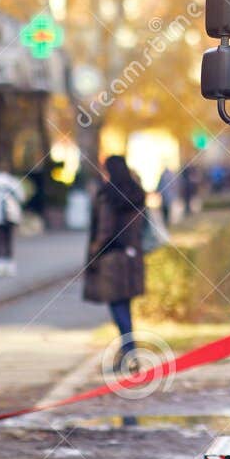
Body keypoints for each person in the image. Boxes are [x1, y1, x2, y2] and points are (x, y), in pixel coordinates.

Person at [83, 155, 148, 373]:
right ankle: (129, 353)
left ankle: (130, 354)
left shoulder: (108, 196)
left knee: (118, 309)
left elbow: (105, 230)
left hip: (112, 260)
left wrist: (94, 253)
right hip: (132, 257)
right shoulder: (137, 193)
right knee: (125, 308)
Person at [0, 168, 26, 277]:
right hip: (11, 215)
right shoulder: (12, 181)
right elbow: (21, 197)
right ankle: (9, 264)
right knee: (9, 240)